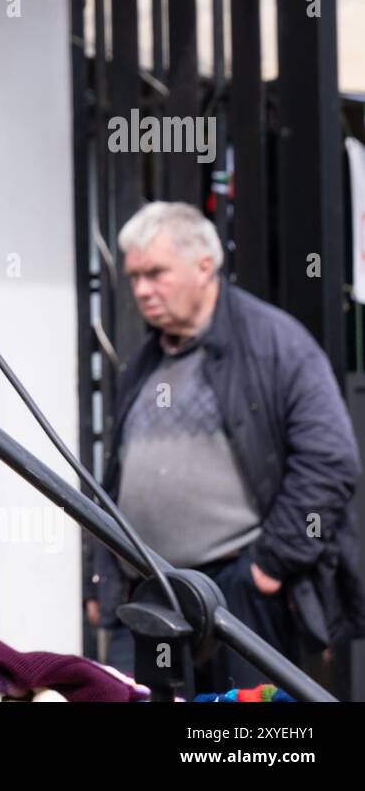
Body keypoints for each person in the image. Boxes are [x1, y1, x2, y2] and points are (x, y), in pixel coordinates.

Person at [85, 201, 365, 693]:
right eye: (134, 277)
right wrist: (103, 577)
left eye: (155, 273)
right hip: (150, 592)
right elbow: (113, 479)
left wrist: (270, 564)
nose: (142, 291)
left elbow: (329, 458)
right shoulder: (146, 360)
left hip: (237, 593)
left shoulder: (274, 342)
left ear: (204, 266)